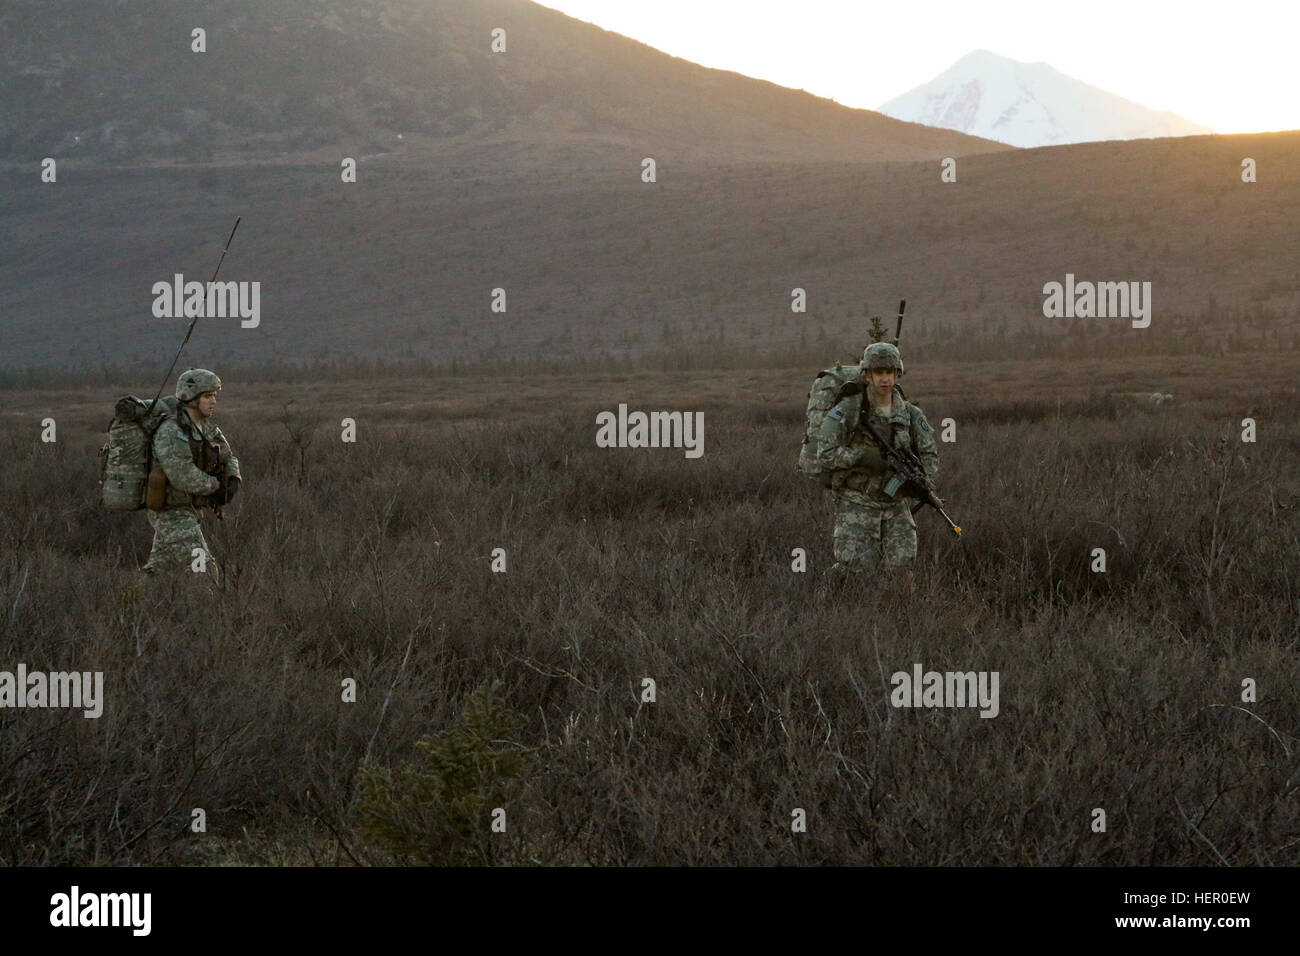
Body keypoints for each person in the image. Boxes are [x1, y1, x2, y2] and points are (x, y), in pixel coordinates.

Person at [815, 342, 938, 574]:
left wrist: (919, 480)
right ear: (867, 375)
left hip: (896, 505)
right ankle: (828, 603)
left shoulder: (910, 414)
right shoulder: (848, 410)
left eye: (889, 373)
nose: (885, 379)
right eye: (879, 373)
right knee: (854, 571)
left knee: (902, 570)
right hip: (858, 502)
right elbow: (826, 454)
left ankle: (899, 611)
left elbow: (929, 454)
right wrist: (861, 457)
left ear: (897, 374)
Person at [142, 369, 241, 579]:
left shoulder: (207, 429)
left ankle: (129, 606)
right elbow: (181, 474)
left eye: (214, 395)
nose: (213, 401)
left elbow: (228, 456)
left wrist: (233, 480)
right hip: (171, 512)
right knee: (204, 568)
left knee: (158, 571)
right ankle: (211, 611)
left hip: (189, 510)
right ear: (190, 398)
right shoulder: (170, 431)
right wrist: (215, 487)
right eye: (207, 396)